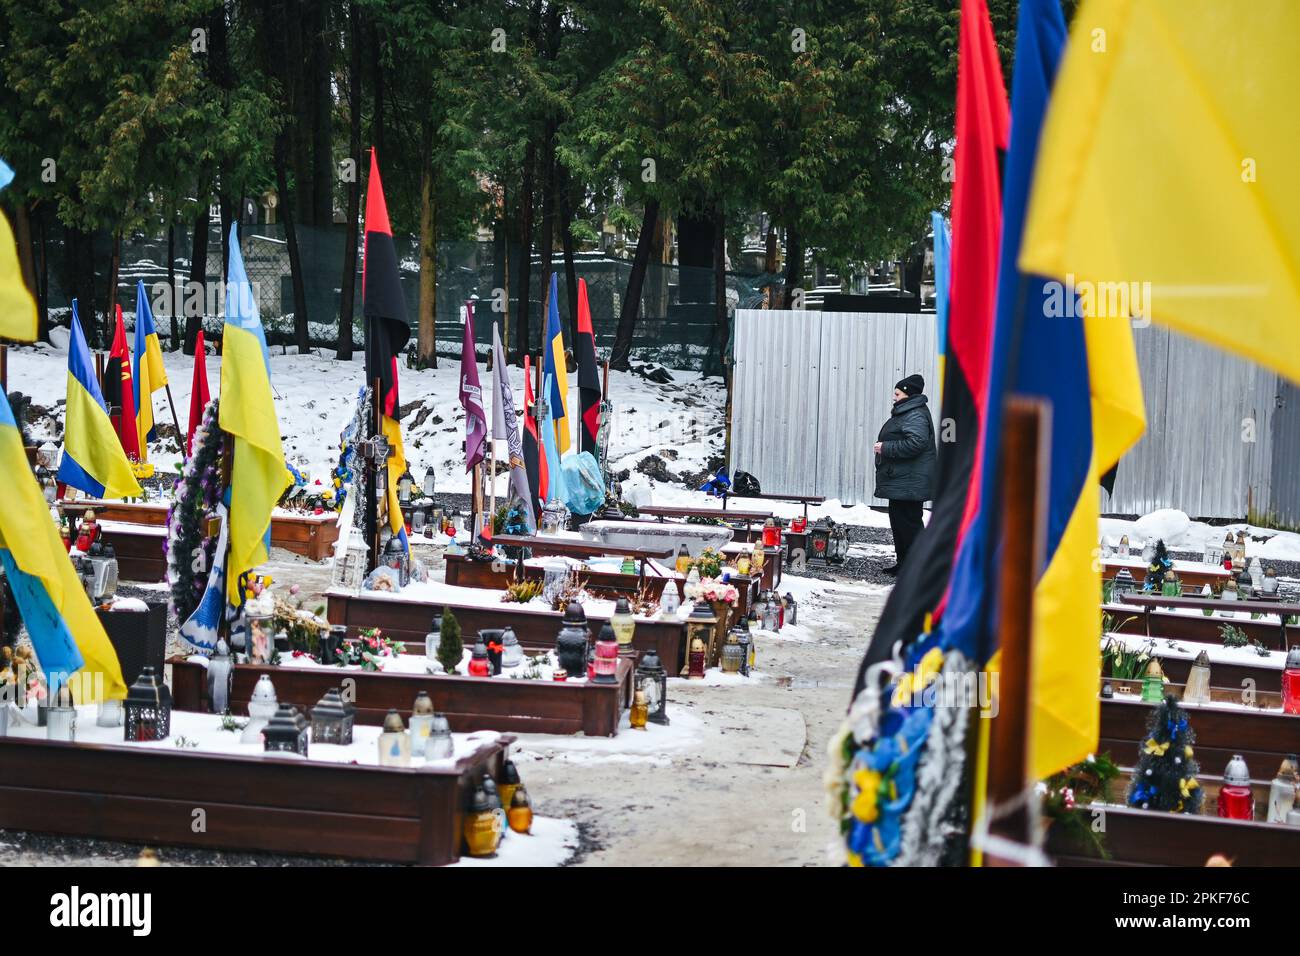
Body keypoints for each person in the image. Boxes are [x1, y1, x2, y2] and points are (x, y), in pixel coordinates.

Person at [873, 374, 936, 575]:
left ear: (907, 394)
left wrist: (886, 448)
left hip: (909, 483)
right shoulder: (908, 412)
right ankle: (905, 566)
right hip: (901, 482)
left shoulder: (915, 414)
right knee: (900, 525)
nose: (894, 397)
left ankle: (920, 570)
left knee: (909, 526)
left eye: (897, 393)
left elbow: (917, 443)